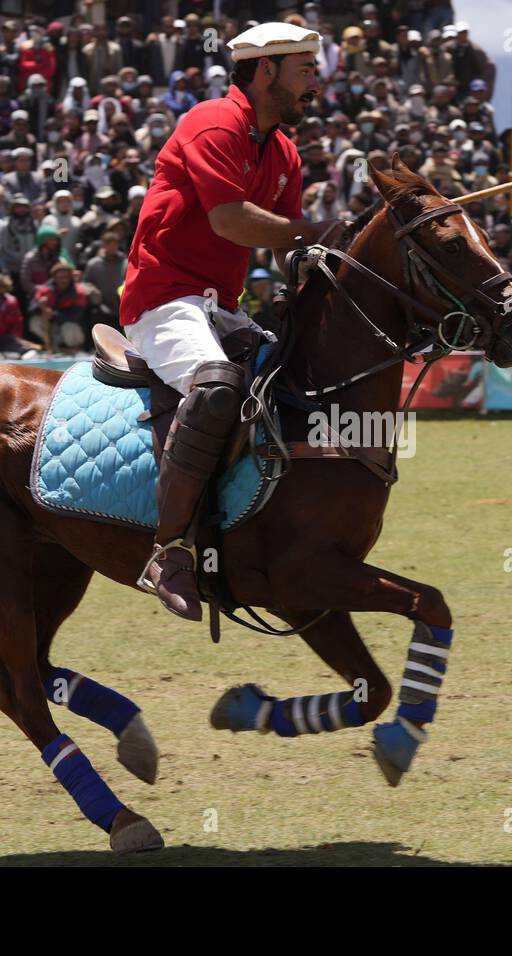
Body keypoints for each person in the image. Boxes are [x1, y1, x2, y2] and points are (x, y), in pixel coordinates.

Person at [117, 22, 341, 621]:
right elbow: (230, 221)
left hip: (223, 307)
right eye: (305, 70)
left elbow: (286, 248)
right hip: (164, 300)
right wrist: (315, 230)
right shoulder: (211, 122)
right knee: (217, 387)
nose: (314, 82)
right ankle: (167, 550)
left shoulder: (285, 151)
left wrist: (345, 250)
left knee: (302, 380)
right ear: (265, 71)